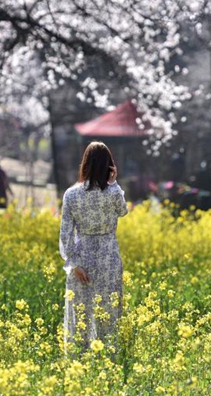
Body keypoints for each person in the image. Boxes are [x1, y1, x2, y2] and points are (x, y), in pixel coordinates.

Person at [59, 141, 128, 353]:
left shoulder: (71, 194)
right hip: (109, 257)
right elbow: (123, 212)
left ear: (85, 164)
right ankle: (109, 358)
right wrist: (114, 184)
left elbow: (65, 234)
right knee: (109, 311)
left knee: (80, 313)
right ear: (109, 166)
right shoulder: (113, 193)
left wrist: (73, 264)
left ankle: (78, 360)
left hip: (83, 259)